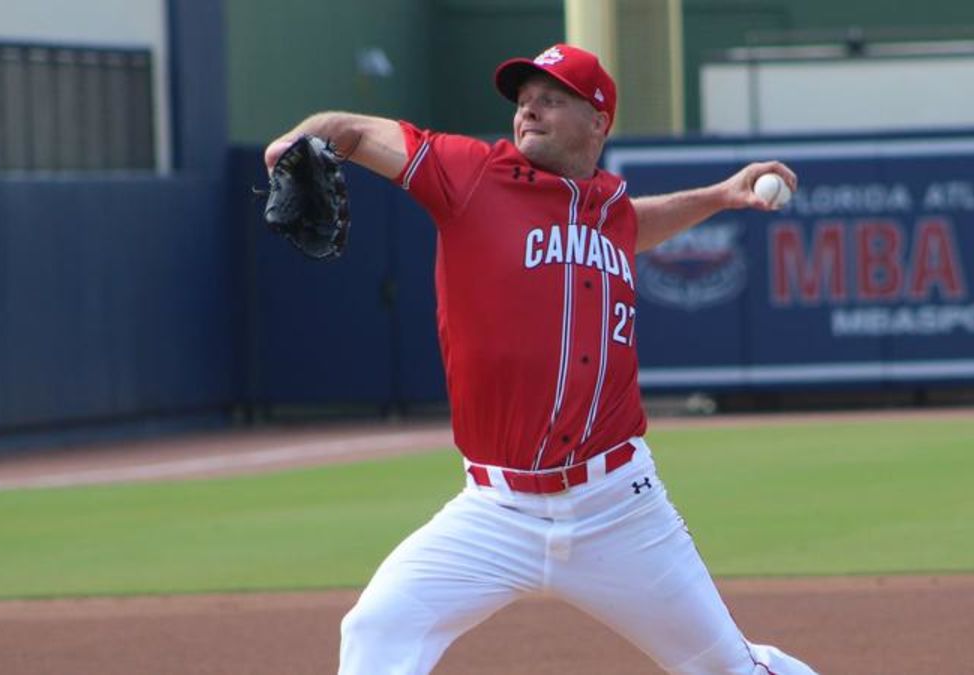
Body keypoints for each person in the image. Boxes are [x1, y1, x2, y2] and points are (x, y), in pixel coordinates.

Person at [265, 43, 814, 675]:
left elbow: (633, 225)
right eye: (524, 101)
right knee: (378, 628)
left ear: (599, 121)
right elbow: (355, 132)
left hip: (619, 506)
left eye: (551, 100)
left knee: (727, 669)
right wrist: (294, 143)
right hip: (495, 512)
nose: (529, 112)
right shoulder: (469, 173)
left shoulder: (610, 211)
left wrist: (722, 195)